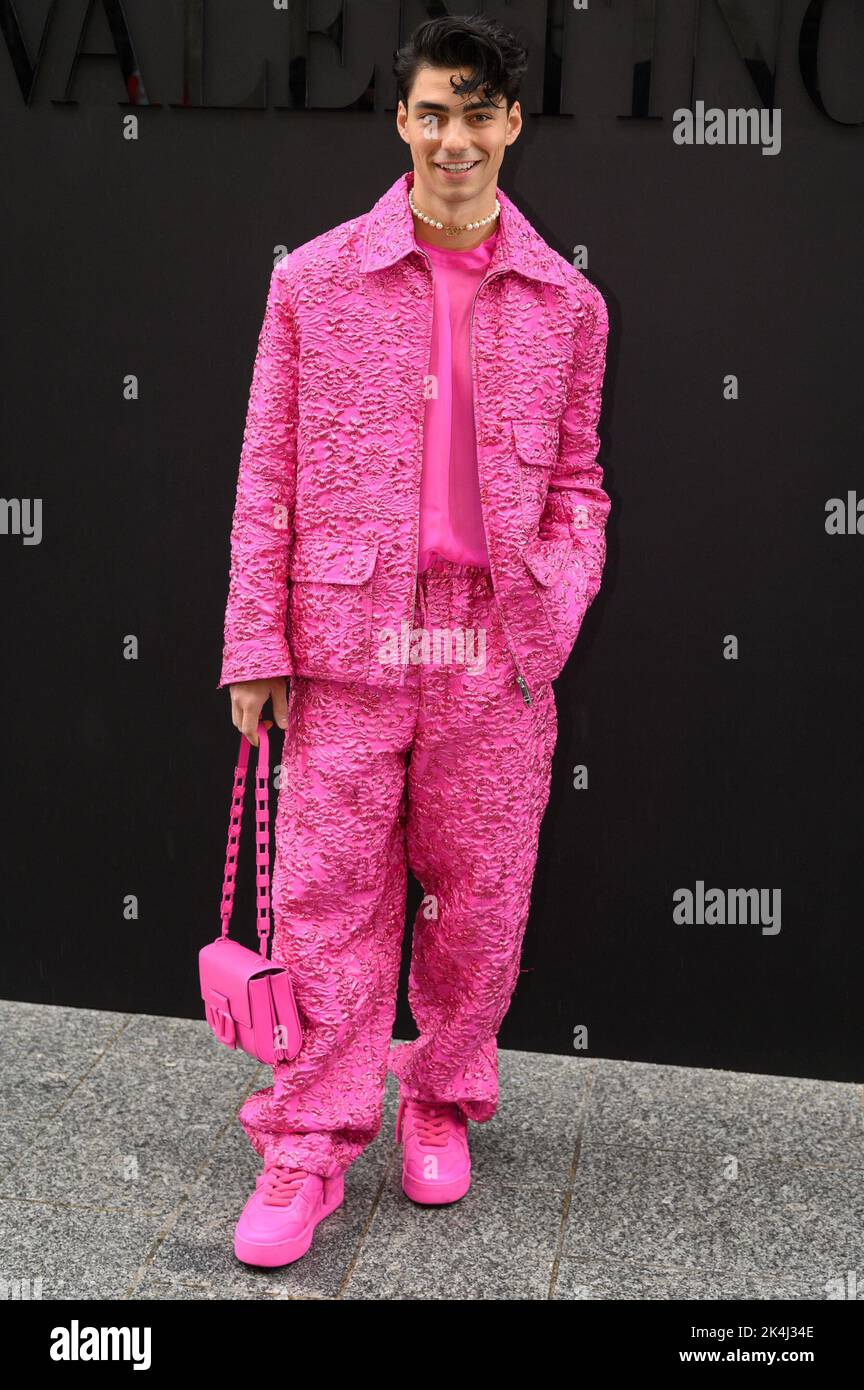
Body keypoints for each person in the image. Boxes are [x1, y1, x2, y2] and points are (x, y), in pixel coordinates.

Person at [216, 12, 611, 1269]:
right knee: (326, 897)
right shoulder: (315, 279)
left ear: (510, 124)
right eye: (430, 112)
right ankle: (310, 1139)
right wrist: (253, 639)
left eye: (475, 112)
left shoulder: (568, 300)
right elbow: (265, 464)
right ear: (402, 122)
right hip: (345, 632)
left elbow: (582, 478)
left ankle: (440, 1096)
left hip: (492, 644)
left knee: (479, 895)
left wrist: (556, 588)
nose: (453, 137)